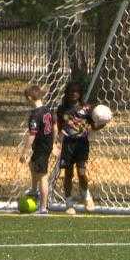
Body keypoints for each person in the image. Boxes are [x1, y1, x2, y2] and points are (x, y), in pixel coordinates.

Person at [55, 81, 103, 215]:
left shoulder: (87, 109)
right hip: (68, 144)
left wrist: (103, 124)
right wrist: (58, 142)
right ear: (67, 93)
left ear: (80, 93)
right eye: (71, 91)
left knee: (82, 172)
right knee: (68, 174)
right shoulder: (61, 109)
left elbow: (94, 126)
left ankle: (86, 196)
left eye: (76, 91)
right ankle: (69, 203)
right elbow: (59, 127)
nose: (74, 93)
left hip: (82, 144)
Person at [18, 85, 56, 214]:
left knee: (43, 176)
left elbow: (32, 134)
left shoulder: (35, 115)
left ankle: (43, 208)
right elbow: (55, 127)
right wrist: (54, 143)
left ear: (29, 98)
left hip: (40, 147)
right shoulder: (48, 110)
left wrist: (25, 151)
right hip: (46, 145)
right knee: (32, 163)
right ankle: (34, 190)